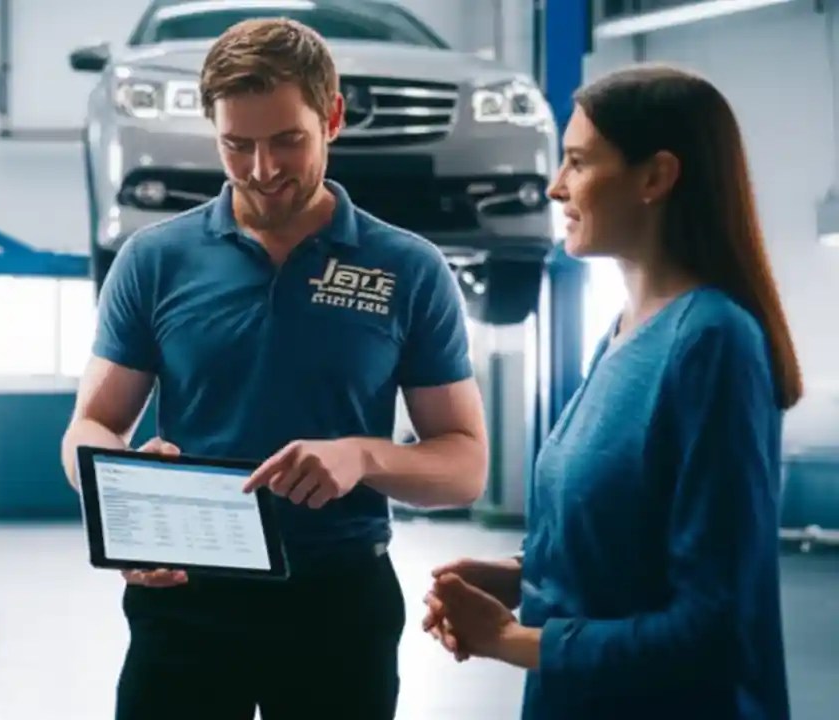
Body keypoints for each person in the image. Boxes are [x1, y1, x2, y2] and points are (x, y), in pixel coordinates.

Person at [61, 17, 488, 720]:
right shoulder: (155, 259)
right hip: (184, 600)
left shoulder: (407, 268)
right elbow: (91, 427)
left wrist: (363, 457)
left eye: (287, 140)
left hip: (338, 604)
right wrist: (125, 505)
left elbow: (464, 465)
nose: (263, 170)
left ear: (333, 118)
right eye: (237, 144)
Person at [421, 64, 799, 719]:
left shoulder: (713, 342)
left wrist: (512, 641)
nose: (555, 186)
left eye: (577, 162)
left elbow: (712, 625)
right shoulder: (622, 333)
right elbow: (627, 545)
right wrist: (520, 578)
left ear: (655, 177)